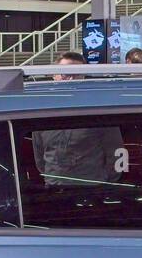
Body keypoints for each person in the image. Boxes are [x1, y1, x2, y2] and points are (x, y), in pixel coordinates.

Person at [36, 52, 124, 185]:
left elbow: (117, 152)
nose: (72, 79)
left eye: (77, 74)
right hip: (53, 190)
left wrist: (107, 182)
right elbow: (39, 157)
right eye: (65, 74)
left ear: (84, 77)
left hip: (92, 191)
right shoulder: (41, 113)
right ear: (54, 76)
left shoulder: (99, 112)